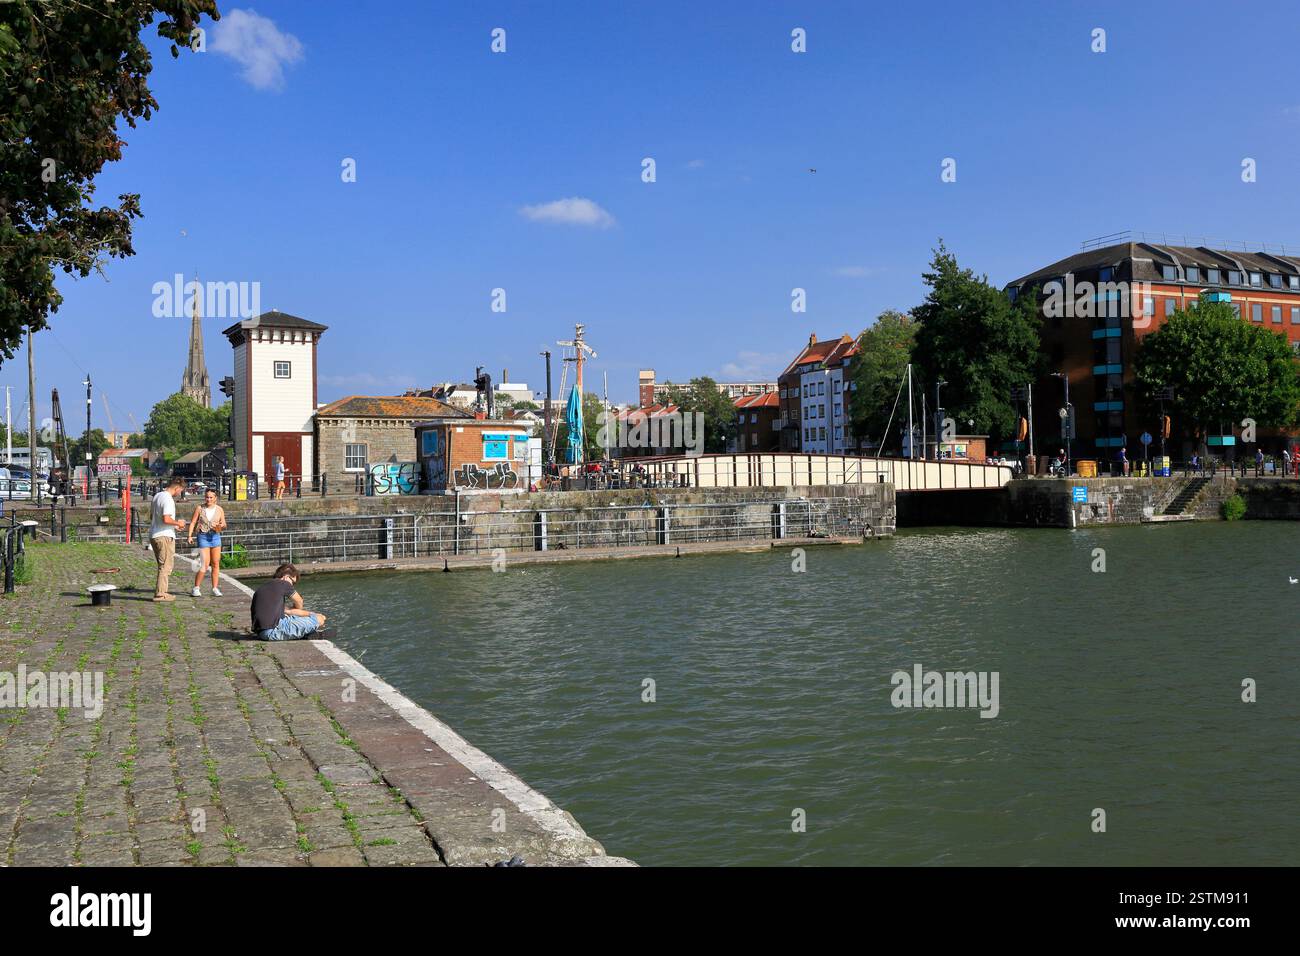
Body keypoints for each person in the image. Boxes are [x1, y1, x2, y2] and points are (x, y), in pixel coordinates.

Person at [250, 563, 326, 641]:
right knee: (319, 619)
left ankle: (306, 628)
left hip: (262, 633)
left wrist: (311, 614)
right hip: (273, 631)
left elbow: (288, 611)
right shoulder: (284, 583)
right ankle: (308, 629)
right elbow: (299, 602)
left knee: (311, 617)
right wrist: (315, 617)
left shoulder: (263, 588)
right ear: (286, 577)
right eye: (293, 582)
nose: (292, 586)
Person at [149, 477, 187, 602]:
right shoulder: (168, 499)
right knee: (166, 565)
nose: (179, 494)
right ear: (177, 487)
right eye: (180, 491)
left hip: (155, 534)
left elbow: (152, 516)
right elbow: (166, 518)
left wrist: (175, 526)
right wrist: (178, 523)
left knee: (162, 564)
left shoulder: (157, 496)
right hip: (164, 536)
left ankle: (162, 592)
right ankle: (161, 594)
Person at [186, 488, 228, 597]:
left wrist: (219, 526)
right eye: (207, 497)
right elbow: (193, 522)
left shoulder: (219, 509)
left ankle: (214, 588)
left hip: (215, 537)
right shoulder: (200, 508)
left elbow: (224, 524)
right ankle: (196, 588)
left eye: (211, 497)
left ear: (215, 498)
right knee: (204, 563)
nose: (208, 499)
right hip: (203, 536)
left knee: (215, 563)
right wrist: (189, 535)